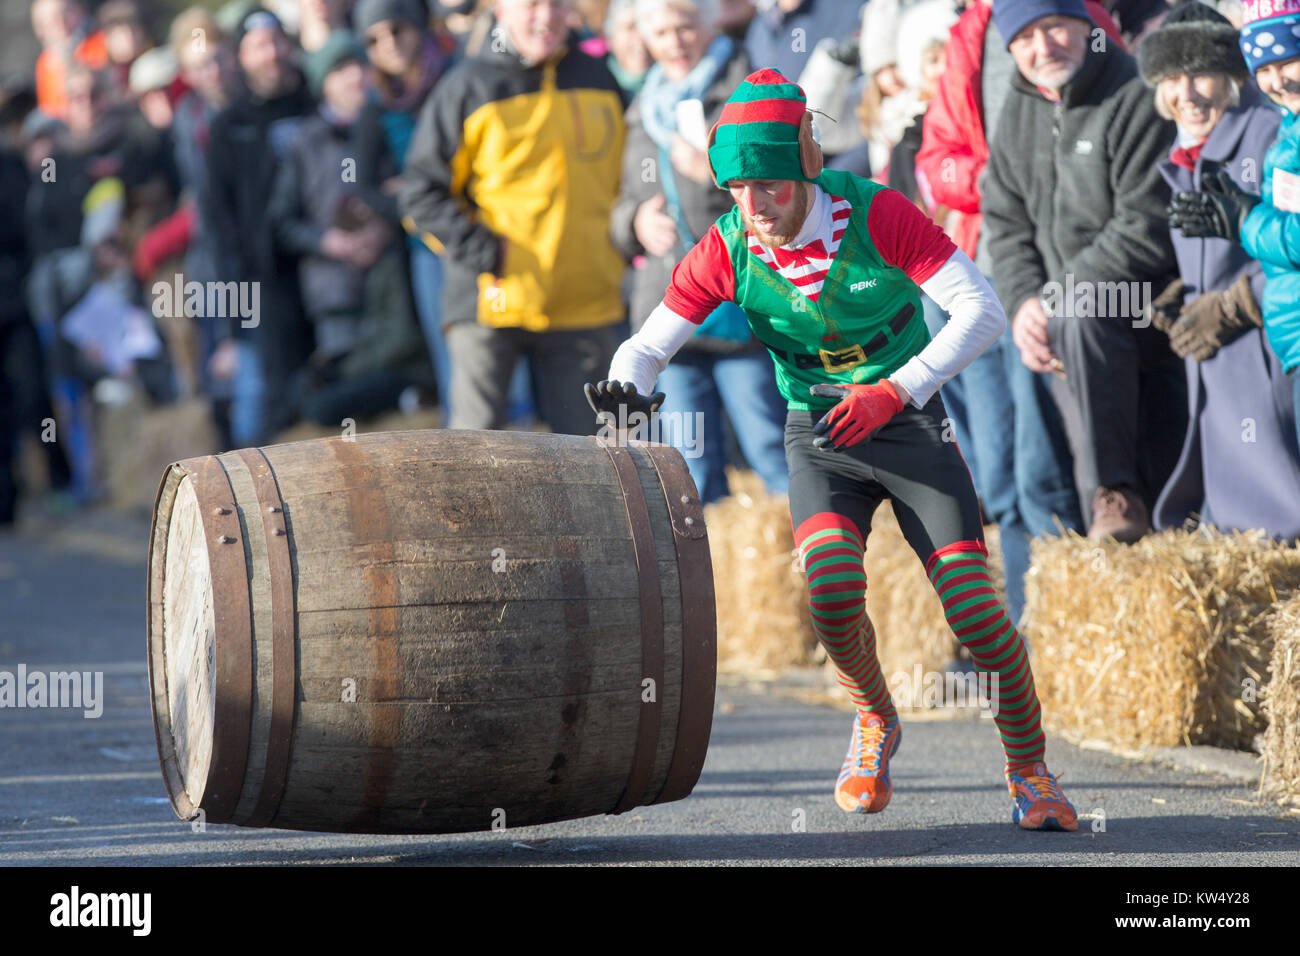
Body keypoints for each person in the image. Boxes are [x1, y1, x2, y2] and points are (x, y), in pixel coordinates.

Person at [587, 68, 1078, 831]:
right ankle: (876, 720)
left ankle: (1030, 767)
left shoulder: (877, 213)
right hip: (820, 436)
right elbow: (647, 346)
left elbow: (980, 311)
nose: (755, 208)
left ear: (808, 168)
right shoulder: (726, 247)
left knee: (978, 615)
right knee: (829, 594)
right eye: (738, 190)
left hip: (911, 425)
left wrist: (898, 389)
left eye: (772, 187)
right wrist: (626, 388)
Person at [982, 0, 1184, 542]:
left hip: (1143, 308)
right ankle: (1085, 521)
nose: (1042, 47)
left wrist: (1055, 300)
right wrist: (1024, 301)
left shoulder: (1133, 91)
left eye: (1054, 27)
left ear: (1086, 25)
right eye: (1023, 37)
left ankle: (1117, 496)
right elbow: (1004, 222)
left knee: (1079, 316)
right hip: (1060, 317)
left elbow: (1145, 223)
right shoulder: (1019, 108)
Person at [399, 0, 628, 436]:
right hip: (492, 302)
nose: (546, 16)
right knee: (477, 452)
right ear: (501, 9)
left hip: (585, 301)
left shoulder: (600, 77)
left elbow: (633, 173)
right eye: (531, 5)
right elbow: (419, 194)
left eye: (558, 4)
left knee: (590, 459)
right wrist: (489, 252)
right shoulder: (466, 85)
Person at [610, 0, 787, 502]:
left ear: (709, 22)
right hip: (667, 309)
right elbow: (621, 199)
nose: (674, 42)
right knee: (690, 465)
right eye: (661, 32)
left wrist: (713, 170)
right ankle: (706, 575)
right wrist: (635, 221)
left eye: (685, 27)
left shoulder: (743, 90)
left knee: (769, 447)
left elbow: (782, 181)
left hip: (737, 299)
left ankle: (805, 568)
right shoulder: (644, 106)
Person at [1140, 1, 1300, 538]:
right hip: (1232, 354)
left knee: (1277, 512)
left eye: (1202, 73)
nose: (1187, 93)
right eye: (1172, 78)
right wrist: (1183, 289)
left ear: (1233, 77)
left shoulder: (1264, 133)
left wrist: (1236, 301)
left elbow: (1283, 243)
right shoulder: (1183, 150)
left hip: (1267, 345)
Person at [1169, 0, 1300, 447]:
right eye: (1265, 67)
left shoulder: (1269, 131)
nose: (1277, 80)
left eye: (1290, 61)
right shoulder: (1290, 129)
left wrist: (1247, 222)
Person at [205, 6, 315, 447]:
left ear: (288, 45)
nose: (269, 55)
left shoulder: (316, 106)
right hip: (265, 282)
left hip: (327, 267)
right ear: (241, 58)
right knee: (272, 402)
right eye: (256, 47)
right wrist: (234, 320)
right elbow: (221, 228)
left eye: (274, 42)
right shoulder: (229, 127)